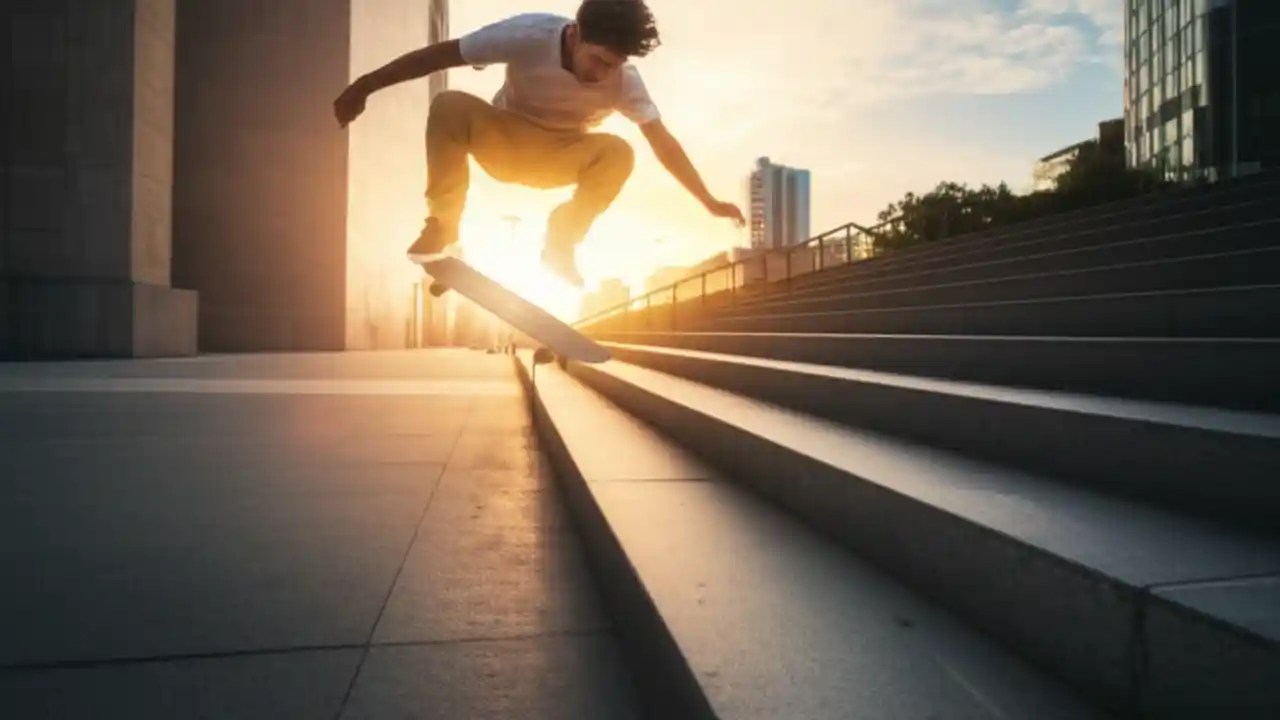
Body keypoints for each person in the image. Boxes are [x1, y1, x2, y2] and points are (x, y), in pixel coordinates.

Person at [333, 0, 745, 287]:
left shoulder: (625, 83)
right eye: (599, 59)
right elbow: (440, 56)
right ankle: (442, 225)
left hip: (561, 157)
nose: (603, 74)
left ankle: (560, 243)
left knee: (619, 152)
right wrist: (365, 85)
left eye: (615, 65)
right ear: (576, 34)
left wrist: (708, 201)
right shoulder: (526, 35)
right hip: (505, 141)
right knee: (449, 105)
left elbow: (664, 144)